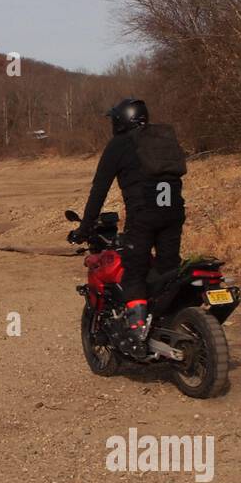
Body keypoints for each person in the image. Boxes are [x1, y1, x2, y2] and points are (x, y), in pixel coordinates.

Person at [68, 99, 186, 357]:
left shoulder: (119, 144)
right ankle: (174, 323)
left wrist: (84, 227)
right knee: (168, 271)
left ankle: (137, 333)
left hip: (144, 217)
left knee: (134, 272)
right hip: (174, 213)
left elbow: (99, 190)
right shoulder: (162, 139)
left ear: (121, 121)